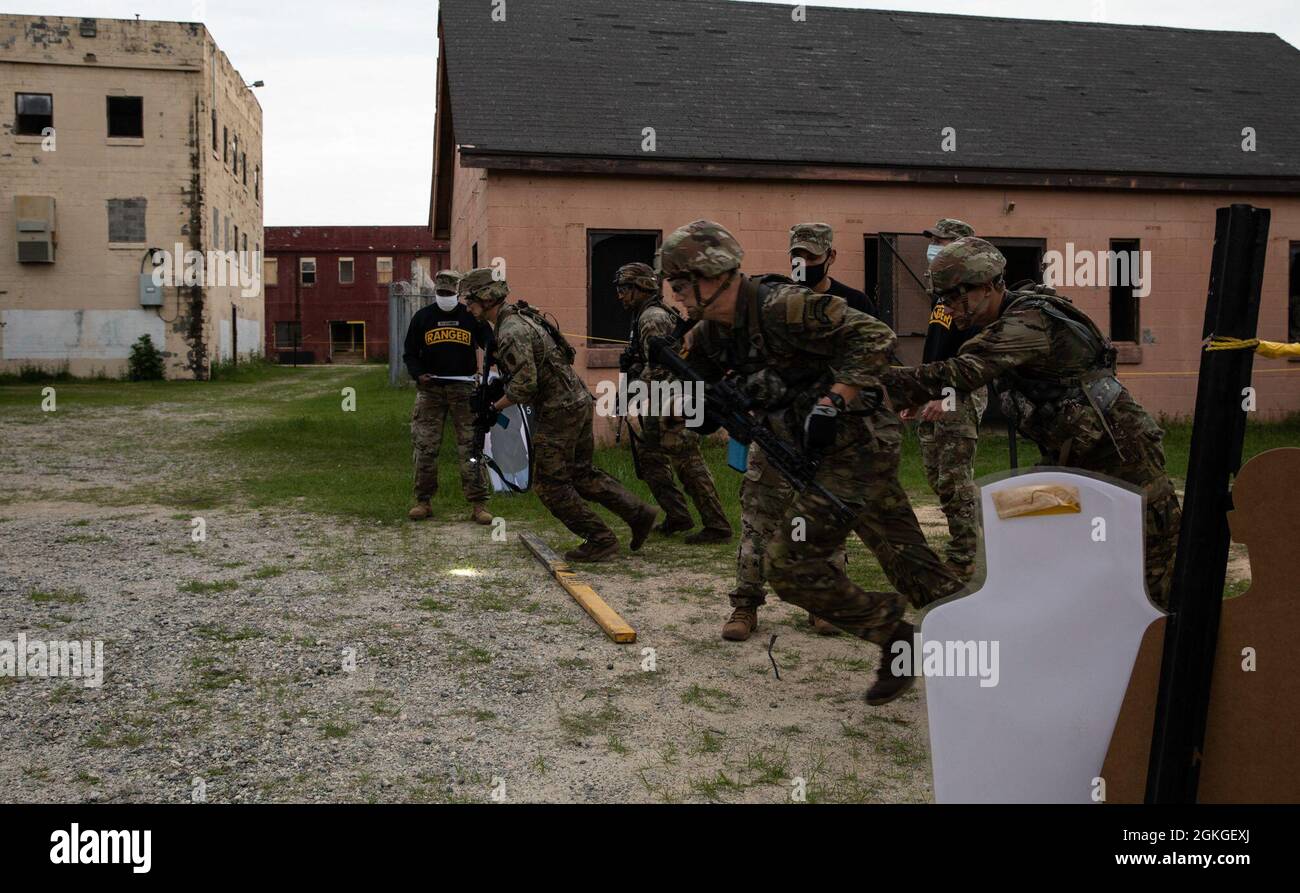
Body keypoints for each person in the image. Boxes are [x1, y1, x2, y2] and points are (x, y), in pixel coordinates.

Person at [659, 219, 961, 705]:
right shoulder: (712, 336)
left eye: (679, 284)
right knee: (908, 560)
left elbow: (876, 338)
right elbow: (699, 394)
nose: (676, 296)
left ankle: (896, 631)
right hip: (807, 452)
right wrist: (691, 408)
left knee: (792, 564)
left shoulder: (785, 306)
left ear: (711, 275)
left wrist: (834, 399)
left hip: (858, 441)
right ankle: (984, 643)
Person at [885, 237, 1182, 608]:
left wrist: (871, 381)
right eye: (942, 298)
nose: (948, 307)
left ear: (988, 285)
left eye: (955, 295)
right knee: (1073, 561)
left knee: (1155, 570)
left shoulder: (1028, 322)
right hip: (1074, 460)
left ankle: (1170, 653)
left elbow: (964, 371)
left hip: (1121, 457)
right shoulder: (1005, 321)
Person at [460, 268, 658, 562]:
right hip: (575, 400)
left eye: (471, 299)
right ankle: (639, 514)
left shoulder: (511, 330)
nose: (468, 306)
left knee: (550, 485)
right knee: (581, 474)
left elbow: (526, 385)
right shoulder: (523, 315)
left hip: (559, 411)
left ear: (486, 297)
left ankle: (601, 540)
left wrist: (493, 408)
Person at [614, 262, 732, 544]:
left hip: (673, 398)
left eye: (625, 289)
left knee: (686, 460)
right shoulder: (643, 315)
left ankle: (717, 525)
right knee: (650, 458)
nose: (620, 295)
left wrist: (635, 389)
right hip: (660, 397)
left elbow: (665, 366)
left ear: (642, 287)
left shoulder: (652, 317)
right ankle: (678, 516)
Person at [902, 218, 986, 577]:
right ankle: (989, 524)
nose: (933, 246)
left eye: (942, 240)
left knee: (954, 478)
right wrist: (920, 395)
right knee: (939, 477)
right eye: (933, 240)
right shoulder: (943, 293)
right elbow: (937, 350)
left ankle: (963, 558)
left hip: (960, 393)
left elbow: (974, 359)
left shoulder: (974, 296)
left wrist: (948, 397)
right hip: (936, 392)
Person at [403, 269, 492, 525]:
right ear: (436, 293)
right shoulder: (423, 318)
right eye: (441, 293)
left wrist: (495, 362)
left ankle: (478, 503)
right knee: (425, 447)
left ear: (458, 293)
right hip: (430, 391)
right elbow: (409, 353)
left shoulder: (470, 316)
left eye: (449, 293)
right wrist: (418, 374)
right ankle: (423, 501)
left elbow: (490, 343)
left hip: (464, 391)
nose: (445, 296)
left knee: (471, 447)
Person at [789, 222, 876, 316]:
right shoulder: (779, 300)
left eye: (813, 257)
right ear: (791, 258)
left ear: (831, 257)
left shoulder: (856, 302)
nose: (804, 264)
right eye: (797, 257)